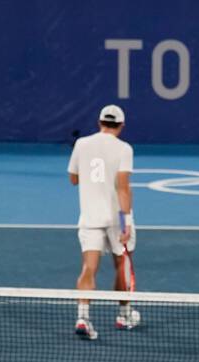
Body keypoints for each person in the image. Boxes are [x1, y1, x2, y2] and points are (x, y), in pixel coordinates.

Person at [68, 105, 139, 341]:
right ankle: (124, 315)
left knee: (88, 268)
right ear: (121, 126)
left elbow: (73, 179)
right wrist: (125, 222)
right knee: (122, 265)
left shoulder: (81, 144)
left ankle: (82, 318)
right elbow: (123, 187)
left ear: (99, 123)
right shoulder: (124, 149)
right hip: (116, 219)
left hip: (90, 217)